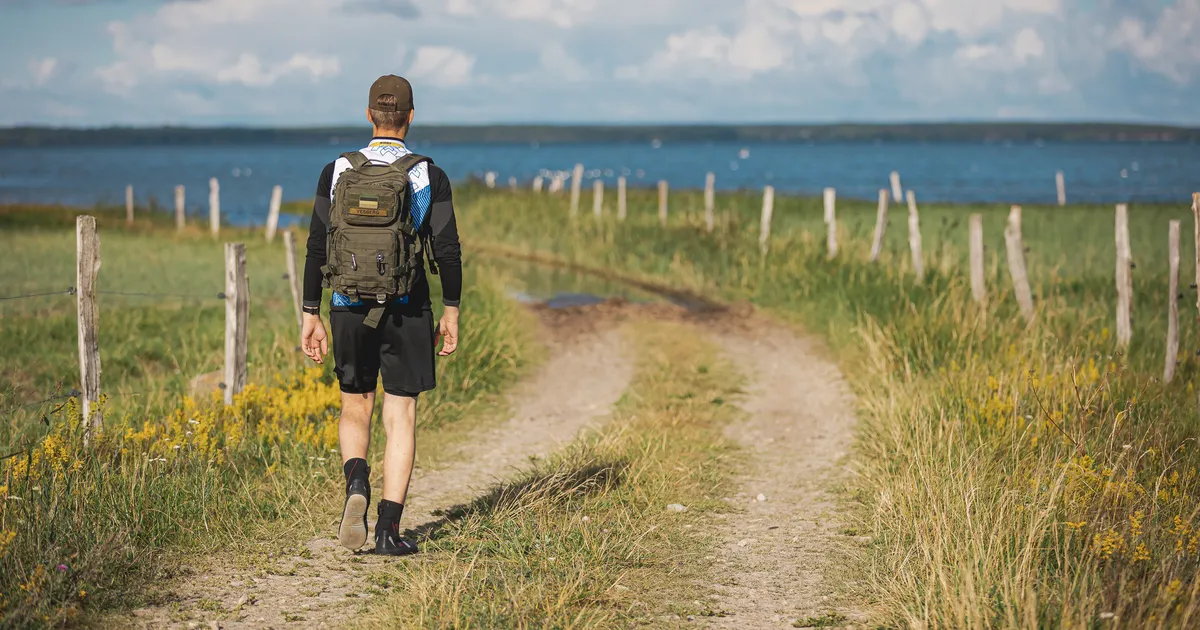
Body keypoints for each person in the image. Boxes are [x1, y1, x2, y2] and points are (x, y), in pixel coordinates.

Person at [300, 74, 461, 556]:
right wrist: (451, 311)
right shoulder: (427, 175)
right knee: (401, 412)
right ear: (410, 117)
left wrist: (311, 312)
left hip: (348, 305)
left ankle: (356, 484)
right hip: (407, 307)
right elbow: (448, 250)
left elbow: (316, 245)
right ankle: (389, 530)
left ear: (369, 115)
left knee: (355, 405)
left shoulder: (338, 170)